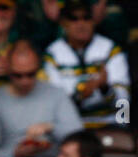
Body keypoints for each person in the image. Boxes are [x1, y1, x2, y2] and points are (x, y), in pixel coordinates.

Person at [0, 40, 84, 157]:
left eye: (31, 74)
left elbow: (79, 134)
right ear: (8, 70)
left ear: (38, 69)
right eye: (18, 75)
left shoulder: (55, 93)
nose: (25, 81)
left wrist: (50, 127)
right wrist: (15, 154)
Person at [42, 0, 129, 129]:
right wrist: (79, 96)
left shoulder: (111, 50)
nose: (81, 24)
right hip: (71, 129)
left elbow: (125, 103)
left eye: (86, 18)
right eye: (74, 19)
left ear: (93, 21)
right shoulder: (53, 54)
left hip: (109, 126)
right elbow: (54, 103)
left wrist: (106, 89)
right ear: (63, 23)